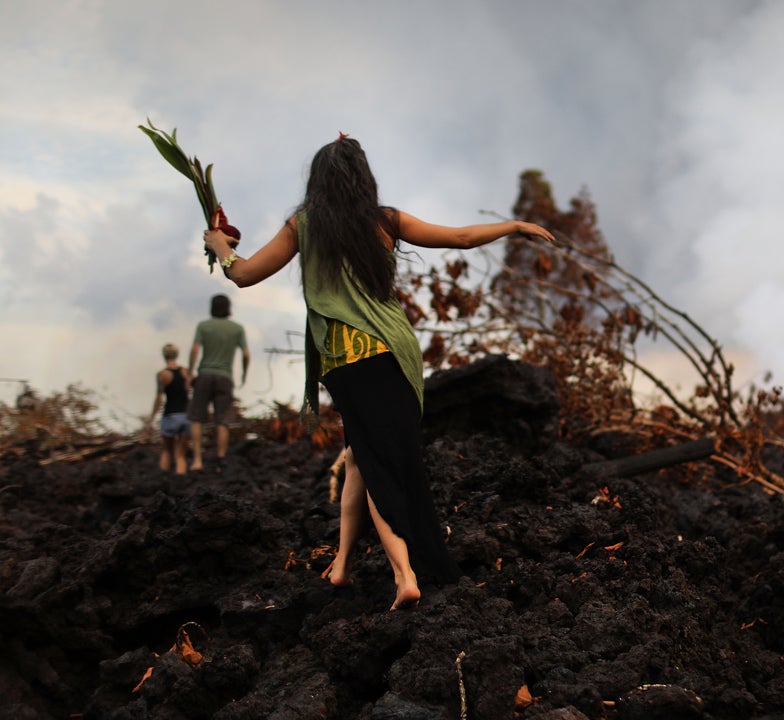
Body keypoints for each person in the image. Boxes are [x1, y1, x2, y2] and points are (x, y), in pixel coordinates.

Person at [202, 135, 554, 610]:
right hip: (397, 351)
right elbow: (461, 238)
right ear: (363, 178)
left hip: (348, 361)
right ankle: (343, 565)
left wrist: (220, 246)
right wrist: (513, 226)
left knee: (374, 460)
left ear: (318, 181)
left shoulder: (303, 225)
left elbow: (243, 274)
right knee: (363, 457)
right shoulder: (386, 220)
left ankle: (405, 575)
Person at [189, 294, 249, 471]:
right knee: (222, 420)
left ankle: (197, 460)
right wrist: (244, 373)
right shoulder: (237, 328)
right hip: (225, 377)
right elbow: (246, 354)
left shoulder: (203, 326)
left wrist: (191, 372)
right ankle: (221, 458)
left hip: (205, 374)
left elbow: (195, 349)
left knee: (197, 418)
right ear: (229, 308)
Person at [148, 343, 192, 474]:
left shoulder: (162, 374)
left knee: (167, 451)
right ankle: (181, 480)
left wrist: (152, 418)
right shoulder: (186, 372)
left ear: (164, 356)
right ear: (177, 355)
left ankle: (163, 480)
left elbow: (159, 398)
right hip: (186, 416)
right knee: (181, 455)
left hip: (170, 415)